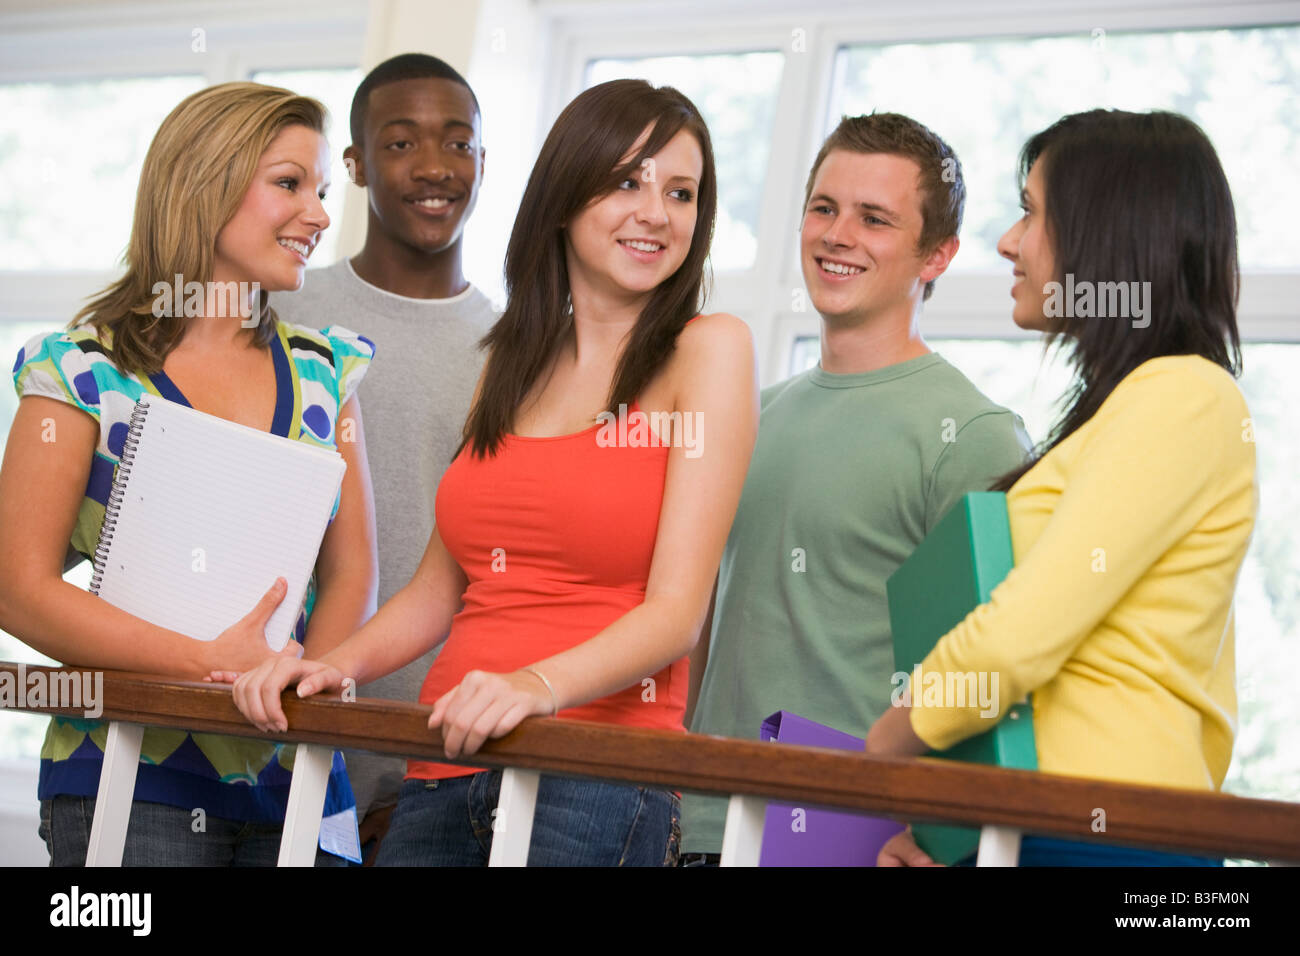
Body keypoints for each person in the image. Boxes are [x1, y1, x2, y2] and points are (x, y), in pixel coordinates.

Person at [224, 78, 758, 866]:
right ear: (565, 196)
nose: (657, 212)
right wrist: (333, 665)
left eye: (682, 192)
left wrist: (534, 686)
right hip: (444, 762)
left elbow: (677, 612)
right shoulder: (509, 361)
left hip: (596, 779)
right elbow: (441, 589)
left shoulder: (708, 349)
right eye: (627, 181)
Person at [0, 82, 378, 866]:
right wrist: (213, 665)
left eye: (323, 191)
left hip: (300, 781)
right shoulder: (78, 371)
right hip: (125, 783)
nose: (318, 214)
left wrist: (311, 681)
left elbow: (351, 576)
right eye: (290, 183)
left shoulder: (325, 370)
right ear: (204, 184)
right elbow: (16, 587)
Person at [867, 109, 1255, 867]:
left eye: (1030, 212)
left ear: (1105, 232)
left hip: (1110, 837)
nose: (1009, 242)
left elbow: (1020, 635)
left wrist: (885, 747)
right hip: (1039, 826)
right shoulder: (1131, 409)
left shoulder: (1186, 396)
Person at [680, 113, 1032, 865]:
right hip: (699, 823)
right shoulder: (753, 411)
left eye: (874, 219)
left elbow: (989, 670)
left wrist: (938, 837)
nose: (838, 235)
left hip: (846, 838)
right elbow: (702, 624)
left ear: (936, 255)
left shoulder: (973, 434)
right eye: (824, 208)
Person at [269, 53, 496, 863]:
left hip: (445, 749)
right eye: (400, 144)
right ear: (356, 166)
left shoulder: (521, 350)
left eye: (458, 142)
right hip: (280, 728)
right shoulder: (283, 306)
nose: (435, 167)